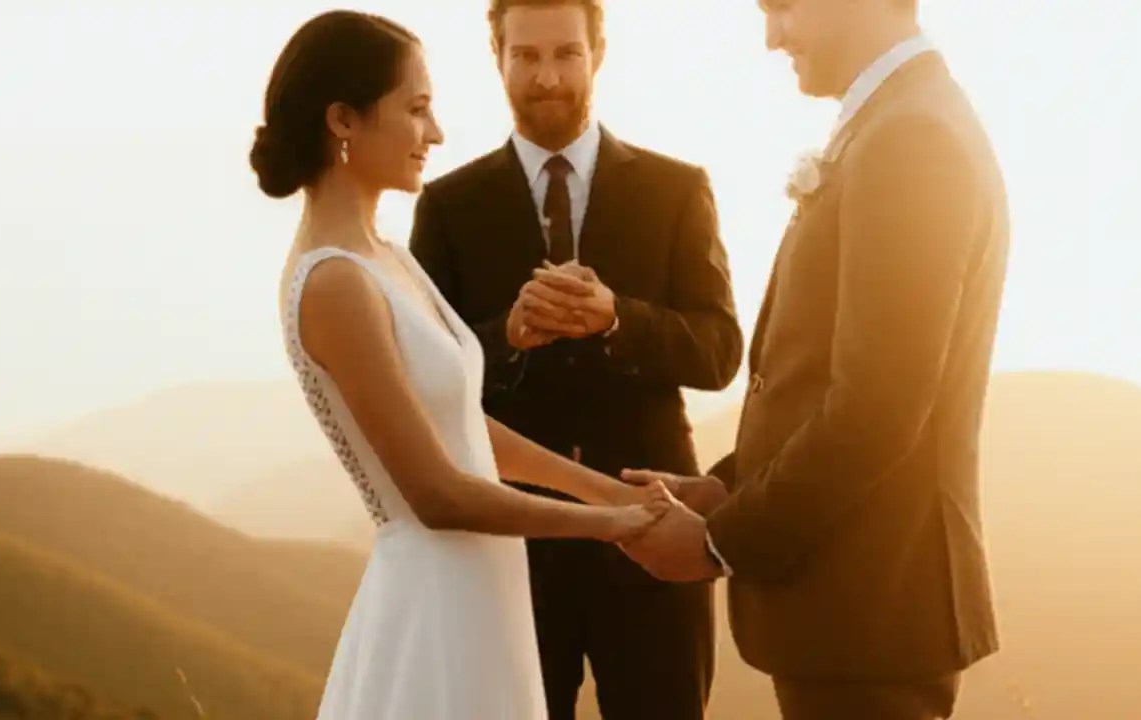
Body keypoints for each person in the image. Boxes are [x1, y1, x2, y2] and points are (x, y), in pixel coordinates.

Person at [249, 11, 669, 719]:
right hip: (434, 608)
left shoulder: (387, 257)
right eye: (417, 109)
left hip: (481, 594)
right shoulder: (335, 283)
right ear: (343, 120)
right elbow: (438, 494)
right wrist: (610, 527)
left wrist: (607, 492)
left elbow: (461, 428)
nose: (436, 133)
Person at [621, 1, 1010, 718]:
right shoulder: (896, 123)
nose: (772, 38)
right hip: (854, 613)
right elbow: (824, 380)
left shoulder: (911, 139)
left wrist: (718, 543)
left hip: (870, 609)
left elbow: (879, 407)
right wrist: (728, 487)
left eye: (783, 6)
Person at [408, 1, 742, 718]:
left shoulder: (677, 189)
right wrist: (507, 337)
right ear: (496, 58)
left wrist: (619, 317)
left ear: (598, 54)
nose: (547, 77)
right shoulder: (445, 206)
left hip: (654, 530)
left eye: (565, 54)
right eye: (525, 57)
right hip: (510, 546)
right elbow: (421, 380)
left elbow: (720, 352)